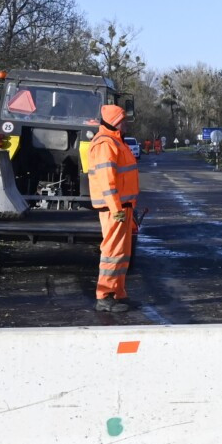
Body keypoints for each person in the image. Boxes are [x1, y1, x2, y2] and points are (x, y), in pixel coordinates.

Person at [86, 103, 139, 312]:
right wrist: (116, 209)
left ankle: (117, 293)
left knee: (122, 254)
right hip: (114, 209)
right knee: (112, 252)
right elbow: (106, 182)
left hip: (122, 207)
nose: (126, 124)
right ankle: (105, 296)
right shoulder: (105, 144)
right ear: (114, 122)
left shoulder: (115, 141)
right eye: (123, 120)